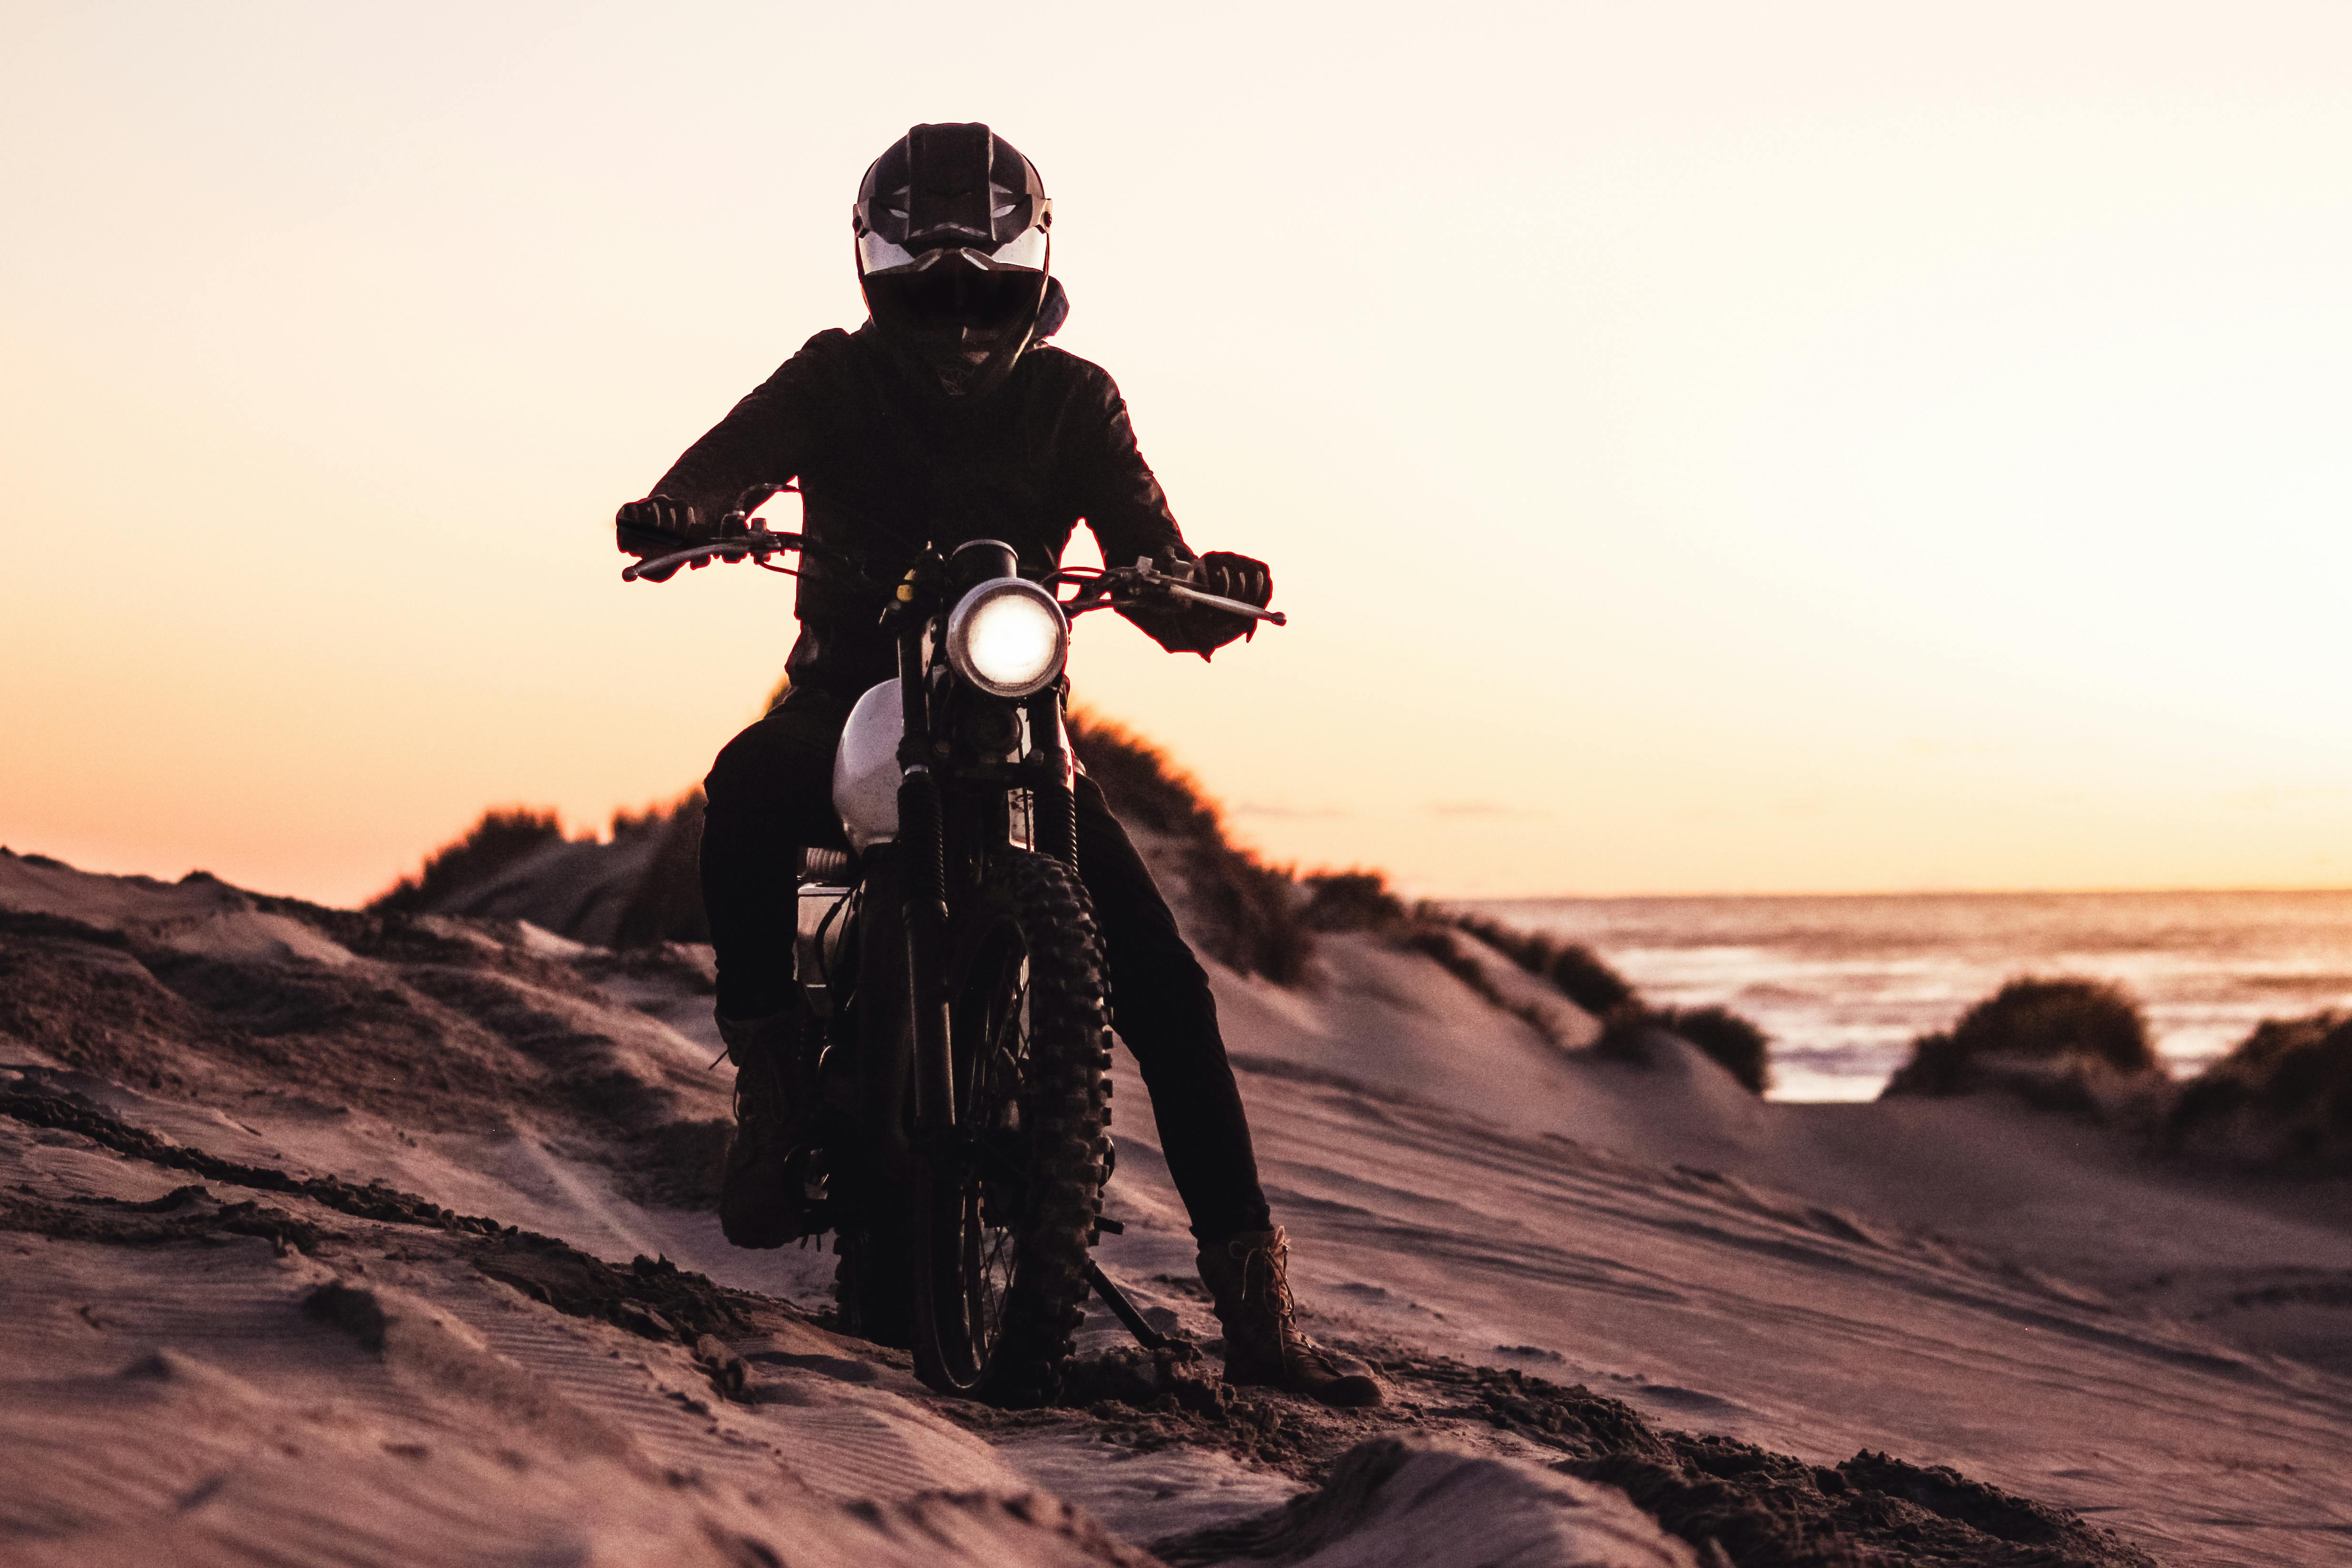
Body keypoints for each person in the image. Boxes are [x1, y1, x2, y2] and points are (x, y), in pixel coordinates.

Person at [615, 124, 1377, 1408]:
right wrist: (682, 512)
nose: (961, 320)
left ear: (1032, 279)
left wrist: (1209, 591)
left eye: (989, 291)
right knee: (746, 785)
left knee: (1170, 993)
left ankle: (1257, 1311)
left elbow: (1154, 561)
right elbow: (718, 466)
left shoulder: (1073, 399)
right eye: (930, 290)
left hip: (1014, 717)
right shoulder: (830, 379)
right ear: (878, 282)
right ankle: (775, 1078)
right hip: (849, 696)